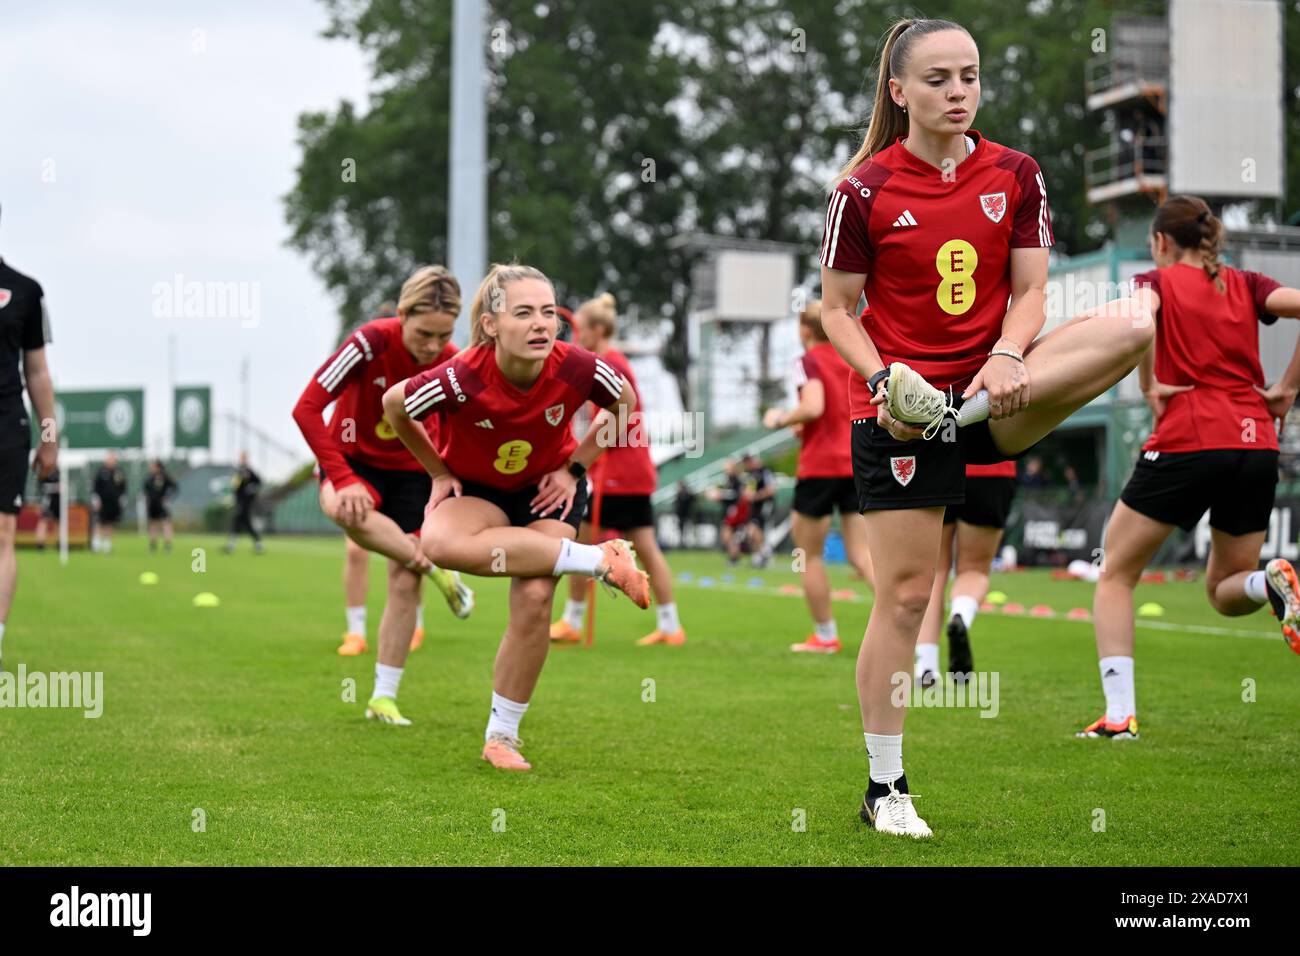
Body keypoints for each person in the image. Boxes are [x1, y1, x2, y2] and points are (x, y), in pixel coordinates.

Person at [818, 17, 1153, 837]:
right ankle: (884, 788)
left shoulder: (1018, 173)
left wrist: (1007, 354)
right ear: (899, 93)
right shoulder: (861, 190)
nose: (958, 91)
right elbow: (836, 311)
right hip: (901, 417)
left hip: (991, 395)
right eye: (938, 79)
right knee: (903, 601)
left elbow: (1032, 292)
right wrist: (883, 380)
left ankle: (975, 407)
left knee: (1139, 318)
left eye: (969, 75)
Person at [381, 263, 649, 771]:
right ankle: (598, 560)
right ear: (491, 324)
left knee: (534, 593)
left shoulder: (577, 366)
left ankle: (502, 735)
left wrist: (575, 469)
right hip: (478, 491)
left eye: (548, 312)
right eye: (523, 313)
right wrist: (437, 474)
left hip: (547, 490)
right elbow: (396, 405)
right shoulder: (460, 377)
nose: (541, 324)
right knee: (436, 545)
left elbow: (625, 401)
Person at [1079, 196, 1300, 740]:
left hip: (1190, 435)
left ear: (1159, 242)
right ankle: (1267, 583)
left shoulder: (1154, 283)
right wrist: (1287, 388)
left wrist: (1148, 383)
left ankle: (1119, 716)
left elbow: (1138, 325)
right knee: (1226, 589)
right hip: (1255, 441)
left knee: (1114, 574)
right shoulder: (1246, 284)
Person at [292, 267, 474, 729]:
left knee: (402, 580)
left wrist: (449, 476)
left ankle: (383, 698)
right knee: (341, 508)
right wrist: (341, 476)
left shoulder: (453, 362)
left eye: (443, 335)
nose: (433, 346)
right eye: (423, 333)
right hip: (354, 462)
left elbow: (467, 428)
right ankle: (434, 566)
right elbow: (306, 407)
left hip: (415, 469)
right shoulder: (368, 343)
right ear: (401, 314)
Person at [549, 293, 686, 646]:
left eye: (580, 329)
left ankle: (572, 621)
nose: (576, 336)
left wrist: (583, 457)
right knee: (647, 548)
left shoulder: (611, 363)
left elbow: (617, 420)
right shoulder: (613, 361)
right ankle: (670, 627)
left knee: (578, 542)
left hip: (618, 475)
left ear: (596, 329)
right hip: (632, 473)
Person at [764, 298, 875, 654]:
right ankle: (913, 627)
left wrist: (780, 418)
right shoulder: (851, 357)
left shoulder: (807, 360)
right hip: (855, 462)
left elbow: (814, 407)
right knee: (861, 554)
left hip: (820, 467)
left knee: (809, 555)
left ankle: (825, 636)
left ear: (804, 330)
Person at [0, 249, 56, 670]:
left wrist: (49, 438)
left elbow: (37, 371)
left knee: (2, 536)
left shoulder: (25, 290)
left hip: (6, 427)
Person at [913, 458, 1016, 685]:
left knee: (935, 571)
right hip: (991, 470)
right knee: (974, 570)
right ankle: (960, 615)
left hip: (937, 468)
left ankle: (926, 667)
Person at [224, 452, 263, 554]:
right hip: (239, 501)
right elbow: (235, 486)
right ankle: (257, 544)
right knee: (244, 523)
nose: (242, 460)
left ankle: (232, 545)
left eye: (243, 458)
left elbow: (258, 482)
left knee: (238, 522)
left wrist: (251, 489)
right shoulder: (238, 472)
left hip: (245, 502)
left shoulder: (249, 472)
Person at [743, 452, 776, 567]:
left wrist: (756, 496)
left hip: (765, 505)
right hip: (754, 507)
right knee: (751, 530)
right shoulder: (751, 474)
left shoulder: (765, 471)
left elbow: (771, 489)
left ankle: (765, 554)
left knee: (757, 530)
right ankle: (759, 556)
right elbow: (748, 491)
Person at [91, 452, 126, 553]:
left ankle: (107, 544)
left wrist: (122, 498)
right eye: (109, 459)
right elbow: (95, 487)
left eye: (113, 459)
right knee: (99, 522)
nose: (111, 461)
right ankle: (96, 544)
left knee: (110, 523)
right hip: (102, 502)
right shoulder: (101, 472)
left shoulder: (119, 472)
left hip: (114, 502)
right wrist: (96, 499)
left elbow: (123, 486)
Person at [143, 459, 178, 552]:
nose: (151, 467)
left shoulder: (165, 477)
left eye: (153, 466)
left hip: (162, 505)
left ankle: (167, 545)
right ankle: (153, 545)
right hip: (152, 504)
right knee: (152, 524)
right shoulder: (149, 478)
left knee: (166, 523)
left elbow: (174, 488)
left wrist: (167, 497)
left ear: (158, 467)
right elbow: (145, 490)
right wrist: (147, 500)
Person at [34, 467, 60, 551]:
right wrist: (55, 487)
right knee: (44, 520)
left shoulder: (59, 471)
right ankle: (40, 544)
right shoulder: (43, 471)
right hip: (48, 500)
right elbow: (41, 487)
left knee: (59, 522)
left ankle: (60, 543)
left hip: (58, 500)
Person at [674, 480, 696, 547]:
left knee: (688, 529)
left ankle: (688, 543)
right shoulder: (679, 495)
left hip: (687, 514)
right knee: (681, 529)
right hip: (680, 515)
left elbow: (693, 499)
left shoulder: (688, 494)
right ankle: (681, 543)